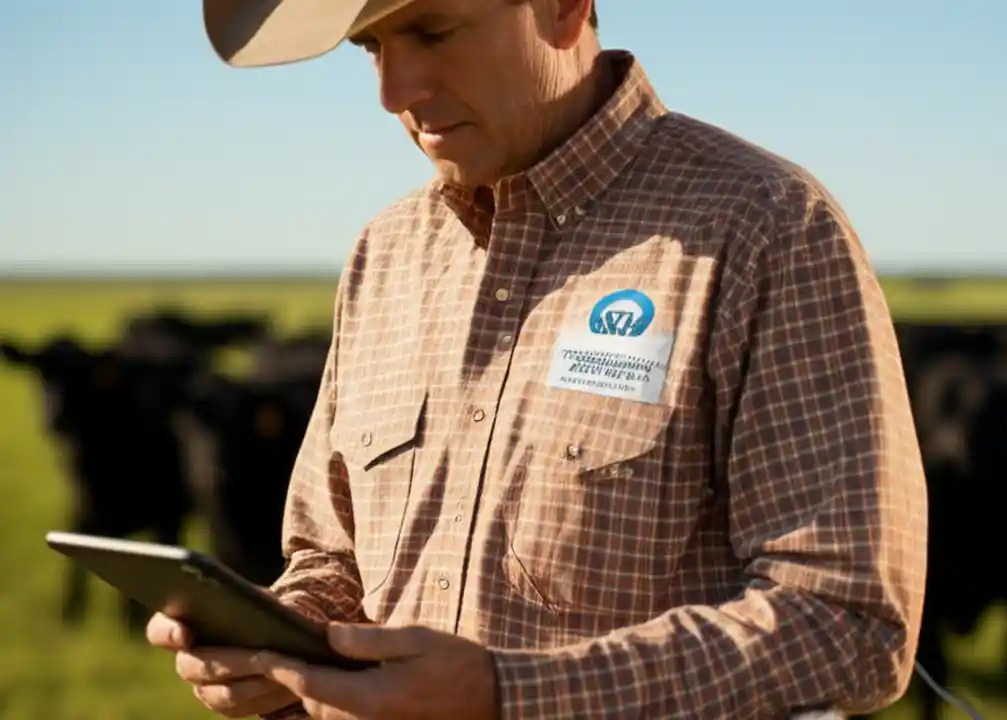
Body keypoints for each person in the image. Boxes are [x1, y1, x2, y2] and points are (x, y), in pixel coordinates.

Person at [147, 0, 930, 718]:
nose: (393, 91)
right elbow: (333, 555)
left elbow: (848, 622)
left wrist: (507, 696)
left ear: (562, 8)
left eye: (432, 31)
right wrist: (280, 636)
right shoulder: (382, 255)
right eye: (370, 45)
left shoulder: (764, 226)